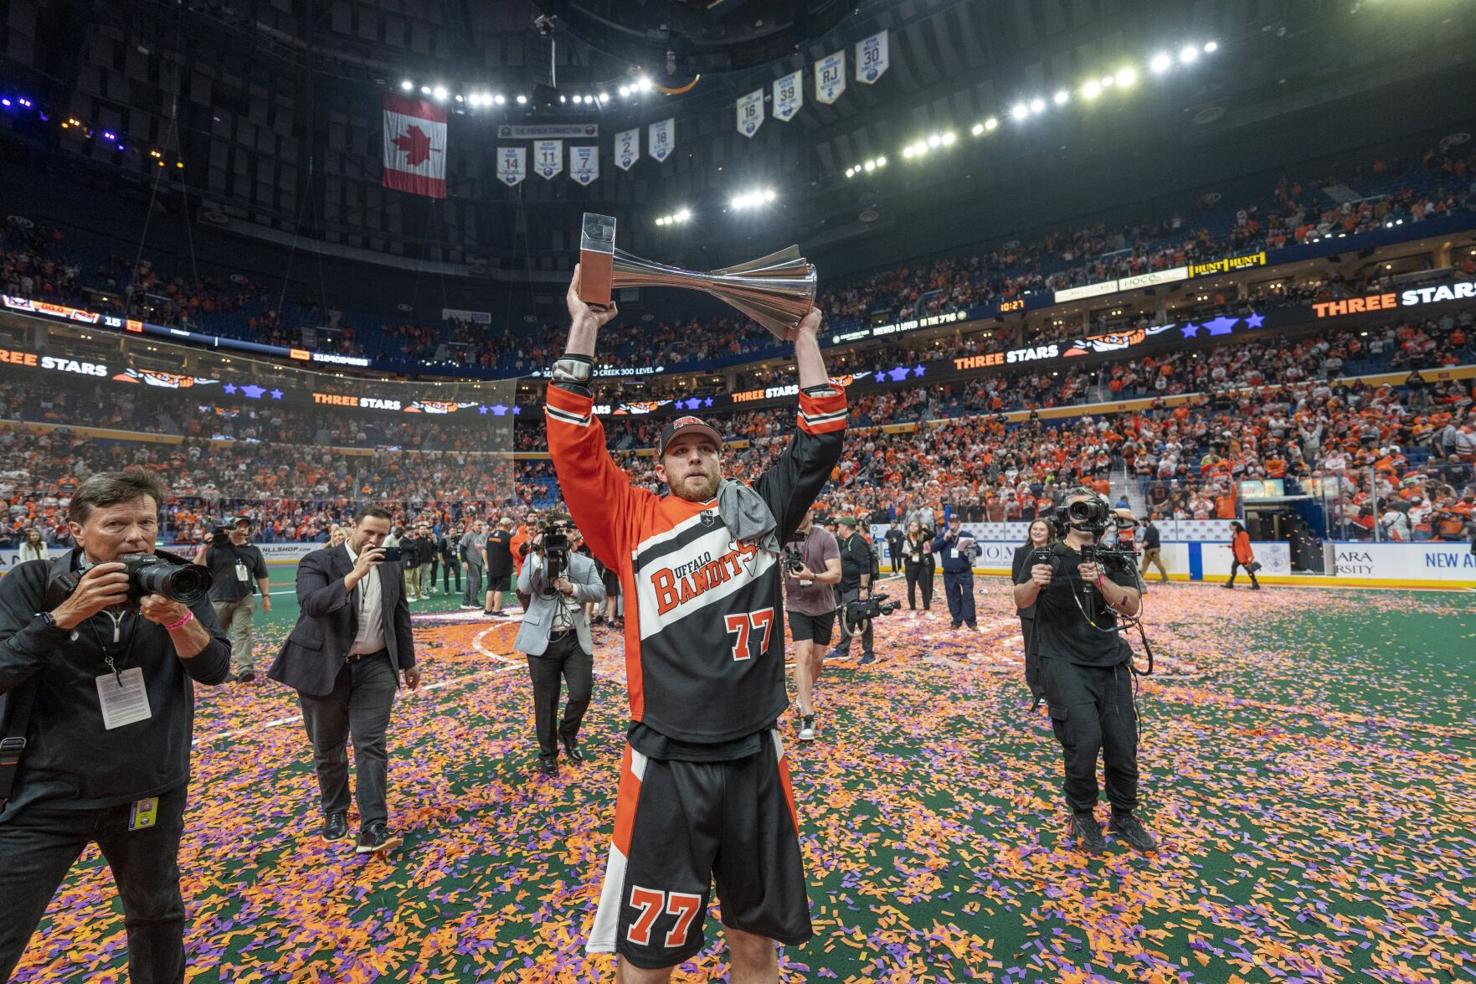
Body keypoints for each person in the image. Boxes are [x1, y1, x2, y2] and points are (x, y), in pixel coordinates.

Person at [547, 265, 844, 979]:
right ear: (661, 466)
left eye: (706, 448)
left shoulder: (757, 508)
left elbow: (818, 440)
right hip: (667, 761)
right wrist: (585, 324)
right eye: (680, 450)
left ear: (721, 458)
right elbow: (574, 445)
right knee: (646, 954)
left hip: (752, 755)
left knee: (755, 944)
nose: (695, 456)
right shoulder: (629, 520)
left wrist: (804, 338)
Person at [0, 469, 231, 981]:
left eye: (146, 522)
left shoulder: (177, 580)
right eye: (117, 523)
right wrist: (64, 616)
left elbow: (214, 670)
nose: (136, 536)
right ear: (77, 531)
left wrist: (178, 620)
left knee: (156, 915)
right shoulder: (32, 584)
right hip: (48, 792)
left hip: (148, 787)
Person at [268, 506, 420, 854]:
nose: (376, 540)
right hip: (325, 667)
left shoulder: (391, 563)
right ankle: (335, 811)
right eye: (369, 532)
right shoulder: (318, 561)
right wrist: (356, 573)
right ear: (354, 528)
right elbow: (312, 605)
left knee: (371, 744)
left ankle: (373, 824)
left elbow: (399, 613)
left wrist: (409, 662)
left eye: (382, 534)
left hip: (376, 665)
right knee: (328, 747)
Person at [1012, 488, 1154, 855]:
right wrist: (1035, 582)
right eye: (1075, 506)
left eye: (1087, 506)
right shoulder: (1046, 556)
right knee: (1084, 739)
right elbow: (1021, 599)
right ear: (1064, 514)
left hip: (1110, 663)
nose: (1081, 512)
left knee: (1123, 745)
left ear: (1100, 515)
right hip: (1063, 662)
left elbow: (1133, 606)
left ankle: (1124, 815)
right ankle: (1083, 813)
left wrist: (1100, 581)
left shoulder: (1114, 557)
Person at [514, 518, 605, 776]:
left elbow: (598, 591)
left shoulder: (584, 563)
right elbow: (523, 587)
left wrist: (573, 588)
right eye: (551, 535)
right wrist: (535, 551)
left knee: (581, 693)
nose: (557, 540)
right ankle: (547, 753)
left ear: (570, 537)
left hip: (575, 639)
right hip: (542, 642)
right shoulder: (536, 561)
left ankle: (568, 733)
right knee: (546, 702)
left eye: (562, 534)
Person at [782, 507, 841, 742]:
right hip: (797, 606)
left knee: (817, 659)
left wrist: (812, 576)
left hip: (824, 607)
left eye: (802, 513)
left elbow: (836, 574)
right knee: (803, 655)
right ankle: (808, 714)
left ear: (810, 514)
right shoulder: (784, 537)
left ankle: (803, 693)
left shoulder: (825, 538)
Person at [196, 516, 271, 682]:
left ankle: (245, 669)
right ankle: (220, 670)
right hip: (218, 599)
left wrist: (266, 596)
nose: (243, 529)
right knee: (217, 637)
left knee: (243, 632)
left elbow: (262, 575)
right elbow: (197, 568)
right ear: (230, 528)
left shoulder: (253, 550)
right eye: (239, 525)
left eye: (246, 526)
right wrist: (204, 548)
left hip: (244, 598)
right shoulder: (215, 547)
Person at [825, 516, 877, 665]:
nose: (837, 528)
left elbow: (864, 565)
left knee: (861, 617)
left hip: (855, 586)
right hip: (844, 586)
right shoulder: (846, 541)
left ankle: (869, 653)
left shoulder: (857, 541)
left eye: (839, 526)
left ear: (846, 527)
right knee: (845, 617)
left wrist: (863, 588)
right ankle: (843, 649)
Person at [1012, 518, 1053, 701]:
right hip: (1029, 609)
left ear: (1049, 532)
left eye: (1041, 529)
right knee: (1032, 650)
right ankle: (1037, 689)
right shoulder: (1021, 552)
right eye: (1034, 529)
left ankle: (1053, 685)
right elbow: (1016, 579)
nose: (1037, 532)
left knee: (1052, 647)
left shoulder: (1055, 552)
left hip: (1052, 608)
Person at [935, 516, 980, 631]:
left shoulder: (967, 535)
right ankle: (956, 621)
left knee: (968, 597)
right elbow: (933, 548)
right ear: (948, 523)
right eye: (950, 522)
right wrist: (944, 539)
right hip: (949, 573)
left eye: (955, 522)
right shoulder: (943, 535)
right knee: (952, 597)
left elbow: (979, 551)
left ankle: (971, 622)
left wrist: (970, 548)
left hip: (965, 572)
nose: (953, 524)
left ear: (959, 523)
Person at [484, 517, 516, 616]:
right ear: (508, 525)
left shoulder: (491, 535)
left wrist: (487, 563)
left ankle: (487, 609)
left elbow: (485, 550)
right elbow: (513, 551)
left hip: (491, 565)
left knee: (491, 587)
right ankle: (496, 609)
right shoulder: (508, 537)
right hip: (503, 566)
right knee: (500, 588)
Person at [902, 520, 935, 610]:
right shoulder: (904, 538)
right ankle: (912, 607)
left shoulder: (921, 538)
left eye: (916, 526)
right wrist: (907, 555)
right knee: (911, 588)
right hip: (910, 566)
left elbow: (932, 535)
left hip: (921, 566)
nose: (913, 527)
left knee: (924, 587)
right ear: (909, 527)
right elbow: (898, 553)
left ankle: (926, 607)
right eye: (911, 525)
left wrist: (923, 528)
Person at [1224, 520, 1260, 589]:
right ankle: (1230, 583)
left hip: (1243, 557)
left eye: (1231, 526)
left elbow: (1246, 545)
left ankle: (1255, 584)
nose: (1229, 527)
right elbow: (1238, 545)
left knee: (1249, 570)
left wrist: (1250, 556)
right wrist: (1230, 546)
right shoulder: (1236, 534)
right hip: (1237, 556)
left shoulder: (1243, 534)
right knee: (1233, 568)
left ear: (1235, 526)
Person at [459, 519, 486, 609]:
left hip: (478, 561)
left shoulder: (482, 535)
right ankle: (473, 602)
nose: (480, 526)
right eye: (478, 525)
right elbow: (462, 548)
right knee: (476, 580)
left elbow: (482, 549)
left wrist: (483, 562)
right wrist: (464, 561)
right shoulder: (468, 535)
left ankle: (466, 602)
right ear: (473, 526)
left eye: (481, 525)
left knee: (469, 582)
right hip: (470, 561)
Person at [435, 524, 461, 596]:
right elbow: (439, 551)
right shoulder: (444, 539)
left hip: (455, 558)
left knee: (458, 574)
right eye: (452, 531)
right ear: (449, 531)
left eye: (455, 531)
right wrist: (441, 560)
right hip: (446, 559)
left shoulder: (458, 538)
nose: (453, 532)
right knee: (446, 575)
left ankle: (458, 589)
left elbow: (459, 548)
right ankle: (446, 590)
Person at [1141, 515, 1168, 584]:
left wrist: (1139, 547)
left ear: (1146, 521)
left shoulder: (1151, 529)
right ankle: (1140, 579)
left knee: (1158, 564)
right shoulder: (1149, 528)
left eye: (1142, 522)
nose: (1142, 523)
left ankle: (1165, 579)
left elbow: (1147, 541)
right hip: (1148, 550)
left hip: (1153, 550)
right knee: (1144, 564)